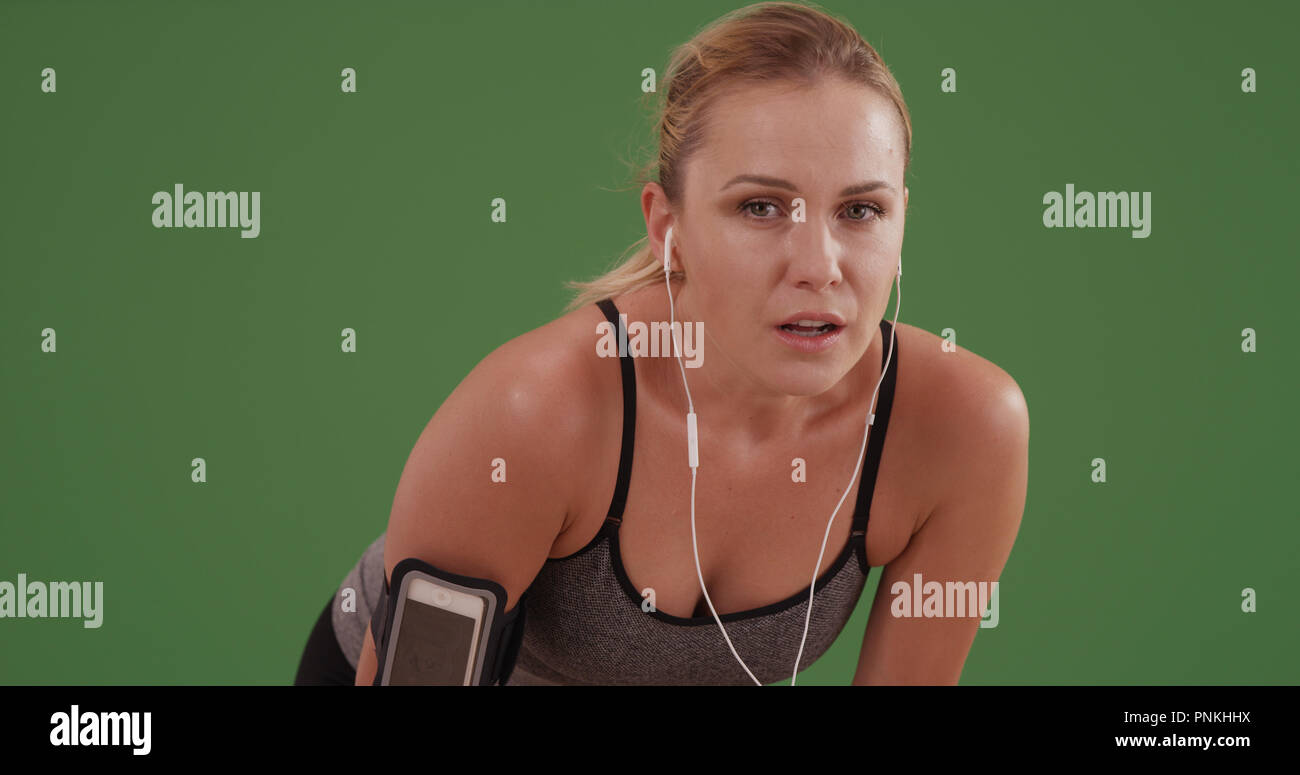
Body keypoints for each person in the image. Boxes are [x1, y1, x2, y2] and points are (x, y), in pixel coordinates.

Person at [295, 0, 1029, 686]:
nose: (818, 267)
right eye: (761, 207)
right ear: (665, 225)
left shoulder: (965, 425)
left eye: (861, 209)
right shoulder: (533, 416)